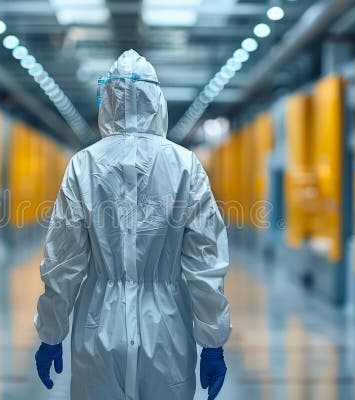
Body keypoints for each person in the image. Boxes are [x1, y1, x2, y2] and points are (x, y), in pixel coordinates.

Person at [33, 49, 231, 400]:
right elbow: (206, 261)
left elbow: (63, 262)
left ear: (106, 98)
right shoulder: (184, 165)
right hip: (167, 330)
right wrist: (212, 341)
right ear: (157, 99)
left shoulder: (83, 165)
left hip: (98, 328)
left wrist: (51, 333)